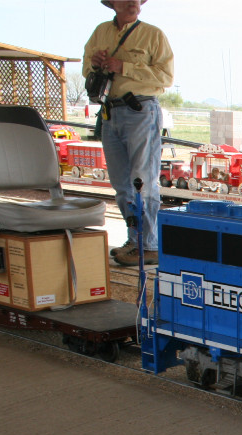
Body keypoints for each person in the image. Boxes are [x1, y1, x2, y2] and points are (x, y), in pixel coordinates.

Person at [83, 0, 173, 266]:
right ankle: (135, 241)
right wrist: (96, 65)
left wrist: (123, 67)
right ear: (113, 3)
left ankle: (149, 244)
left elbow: (165, 77)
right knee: (122, 185)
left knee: (142, 181)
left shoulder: (153, 34)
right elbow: (87, 70)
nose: (133, 2)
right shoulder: (100, 32)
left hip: (140, 110)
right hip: (111, 113)